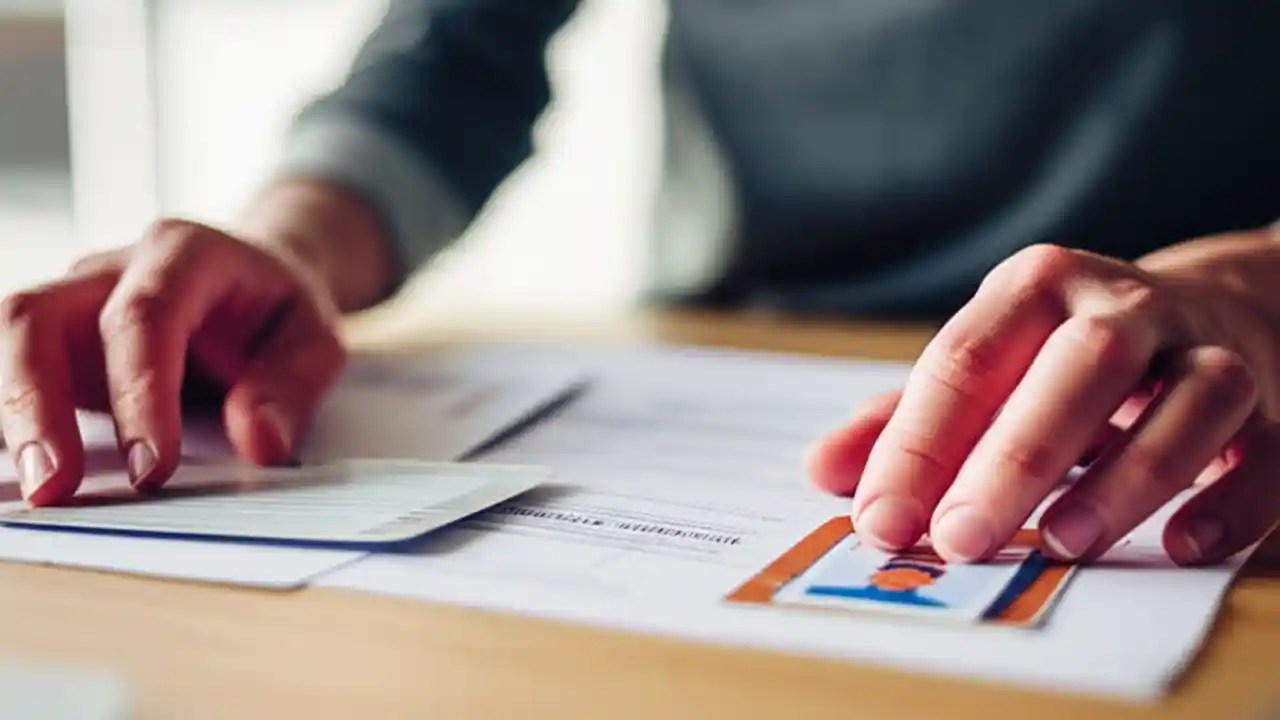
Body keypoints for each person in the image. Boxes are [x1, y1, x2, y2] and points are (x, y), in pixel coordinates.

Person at [2, 2, 1277, 568]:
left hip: (1203, 413)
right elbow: (453, 55)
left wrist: (1249, 284)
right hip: (715, 365)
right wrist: (288, 240)